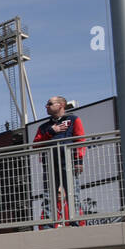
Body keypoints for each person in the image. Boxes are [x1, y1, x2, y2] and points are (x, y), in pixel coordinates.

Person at [33, 96, 86, 225]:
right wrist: (51, 131)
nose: (46, 106)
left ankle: (76, 223)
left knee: (73, 194)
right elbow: (36, 144)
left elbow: (80, 139)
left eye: (50, 103)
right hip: (50, 164)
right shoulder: (44, 126)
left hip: (68, 163)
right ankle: (48, 224)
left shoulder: (73, 119)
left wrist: (78, 161)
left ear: (61, 105)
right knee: (48, 196)